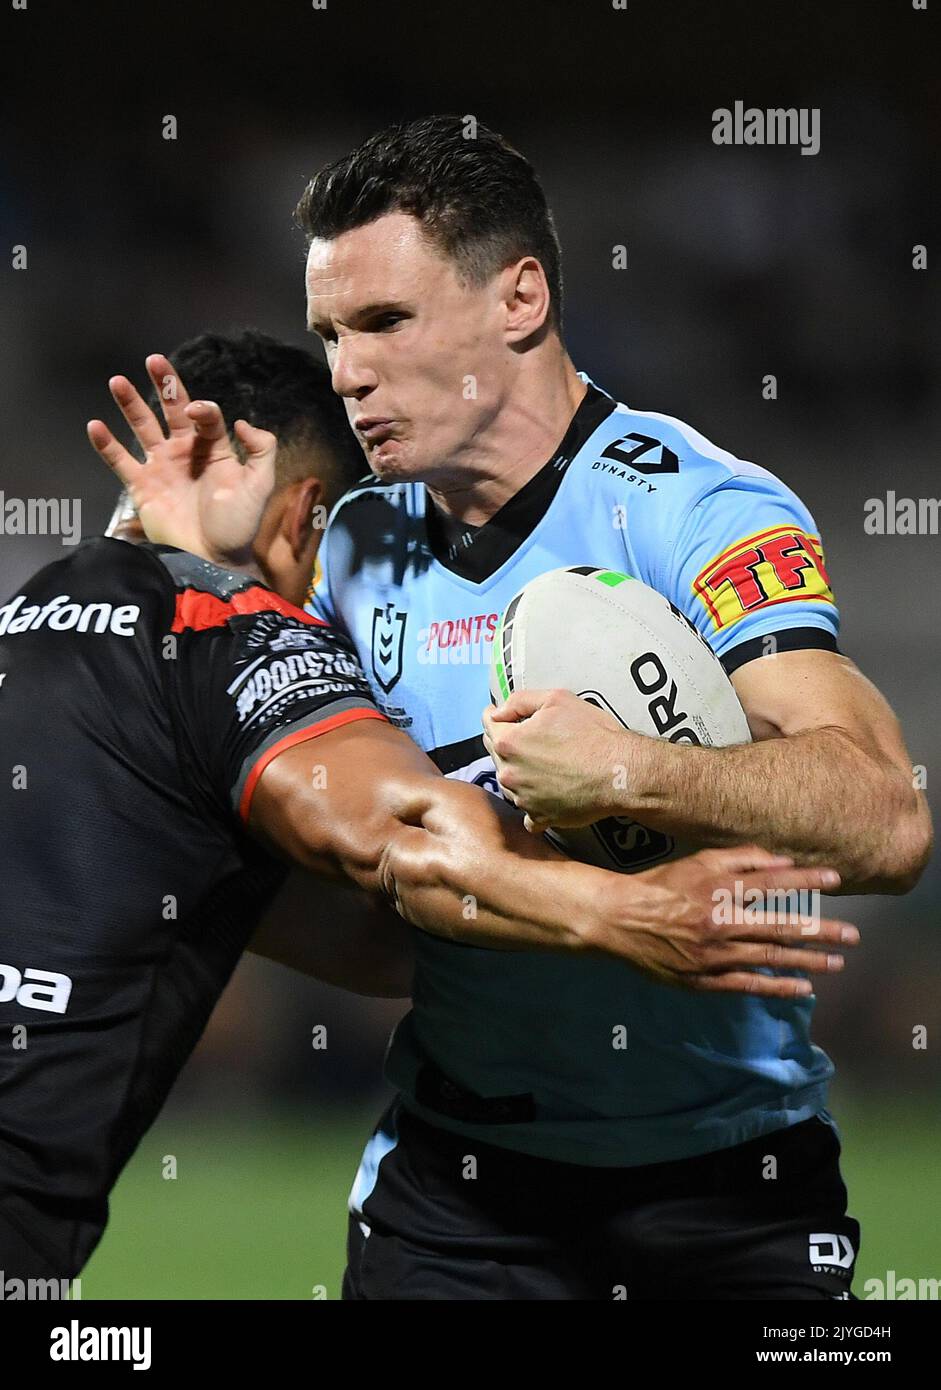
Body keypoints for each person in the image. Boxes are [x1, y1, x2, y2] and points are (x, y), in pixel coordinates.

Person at [0, 359, 847, 1289]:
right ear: (304, 514)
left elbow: (380, 942)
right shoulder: (232, 633)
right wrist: (622, 909)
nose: (331, 602)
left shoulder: (32, 622)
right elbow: (404, 839)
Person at [286, 115, 928, 1301]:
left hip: (730, 1194)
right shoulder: (355, 548)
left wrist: (632, 774)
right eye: (328, 333)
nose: (344, 372)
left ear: (518, 299)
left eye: (383, 322)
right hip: (455, 1195)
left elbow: (885, 818)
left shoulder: (696, 510)